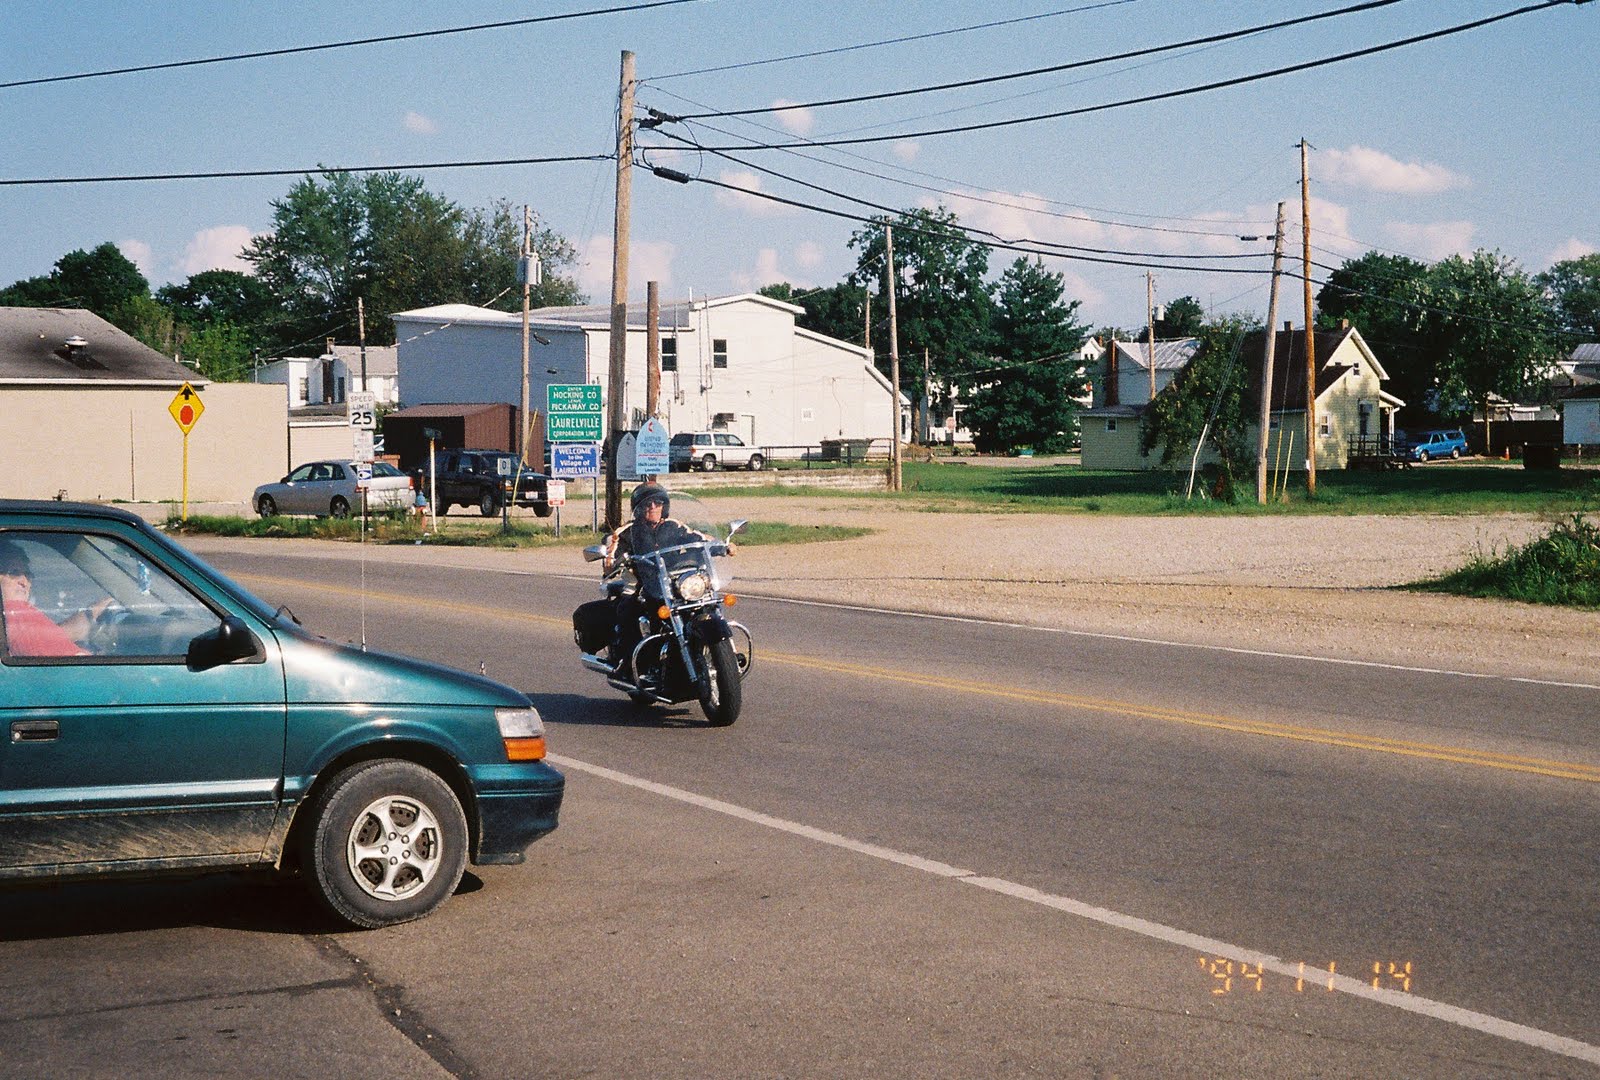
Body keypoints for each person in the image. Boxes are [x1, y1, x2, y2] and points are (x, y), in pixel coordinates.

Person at [600, 484, 729, 679]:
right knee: (628, 612)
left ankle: (723, 658)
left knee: (704, 605)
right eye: (646, 503)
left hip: (676, 583)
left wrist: (722, 546)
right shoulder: (627, 531)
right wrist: (614, 561)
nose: (652, 506)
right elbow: (610, 557)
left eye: (657, 502)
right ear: (637, 508)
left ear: (664, 505)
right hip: (641, 586)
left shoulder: (674, 525)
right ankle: (627, 664)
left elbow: (700, 539)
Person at [0, 540, 111, 658]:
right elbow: (79, 666)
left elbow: (43, 639)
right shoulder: (15, 612)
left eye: (27, 575)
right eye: (13, 572)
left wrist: (89, 615)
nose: (24, 582)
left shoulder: (11, 622)